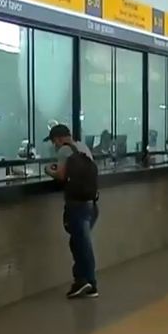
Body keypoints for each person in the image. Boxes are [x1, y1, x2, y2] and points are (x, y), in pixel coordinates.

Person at [45, 124, 100, 299]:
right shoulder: (83, 147)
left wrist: (48, 170)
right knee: (80, 243)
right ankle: (83, 280)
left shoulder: (64, 150)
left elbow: (61, 175)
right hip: (91, 203)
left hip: (76, 203)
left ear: (60, 138)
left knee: (82, 245)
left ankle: (88, 282)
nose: (54, 145)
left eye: (54, 141)